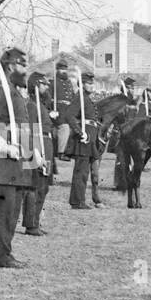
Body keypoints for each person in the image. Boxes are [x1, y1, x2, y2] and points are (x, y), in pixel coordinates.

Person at [0, 48, 40, 269]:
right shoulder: (0, 92)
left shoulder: (14, 93)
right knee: (3, 213)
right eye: (22, 65)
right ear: (10, 67)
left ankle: (5, 252)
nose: (25, 70)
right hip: (4, 164)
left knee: (12, 213)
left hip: (18, 163)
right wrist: (6, 148)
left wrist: (32, 152)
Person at [63, 70, 103, 209]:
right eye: (88, 83)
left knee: (84, 171)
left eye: (92, 83)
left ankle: (79, 200)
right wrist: (80, 132)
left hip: (89, 138)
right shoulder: (79, 97)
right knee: (81, 172)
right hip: (83, 140)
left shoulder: (86, 98)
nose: (92, 86)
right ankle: (77, 201)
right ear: (82, 84)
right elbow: (69, 115)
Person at [21, 72, 54, 236]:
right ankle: (31, 224)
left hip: (45, 144)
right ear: (35, 86)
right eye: (43, 84)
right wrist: (36, 152)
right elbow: (30, 130)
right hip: (37, 145)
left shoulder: (40, 105)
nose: (46, 87)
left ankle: (35, 221)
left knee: (43, 186)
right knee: (35, 186)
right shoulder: (32, 106)